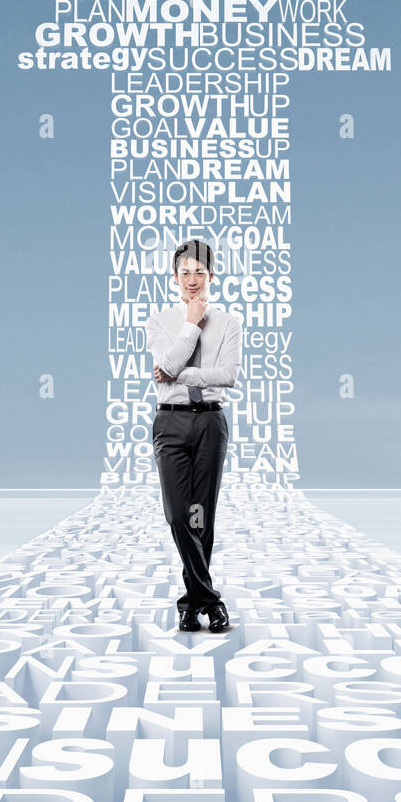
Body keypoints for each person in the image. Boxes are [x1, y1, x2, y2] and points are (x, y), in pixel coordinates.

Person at [145, 239, 242, 633]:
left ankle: (189, 606)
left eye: (199, 272)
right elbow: (163, 362)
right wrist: (191, 324)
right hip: (170, 422)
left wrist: (179, 374)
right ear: (174, 277)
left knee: (203, 518)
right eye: (185, 272)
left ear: (211, 276)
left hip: (210, 423)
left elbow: (227, 376)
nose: (192, 279)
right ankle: (208, 600)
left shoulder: (229, 323)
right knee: (177, 514)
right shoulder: (158, 321)